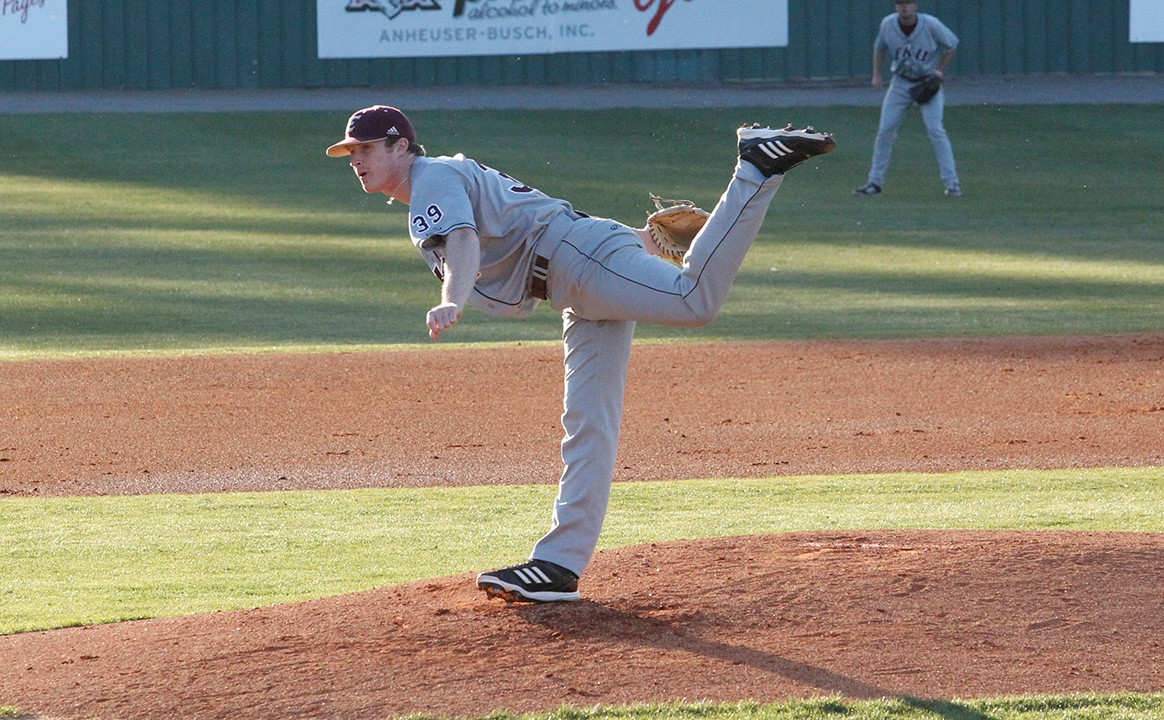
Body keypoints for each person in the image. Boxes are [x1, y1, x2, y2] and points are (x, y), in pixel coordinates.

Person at [326, 105, 835, 603]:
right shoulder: (433, 184)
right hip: (578, 277)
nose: (356, 159)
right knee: (589, 423)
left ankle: (756, 167)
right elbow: (534, 224)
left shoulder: (430, 179)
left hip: (575, 261)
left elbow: (463, 240)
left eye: (367, 148)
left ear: (401, 146)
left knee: (693, 299)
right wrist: (640, 243)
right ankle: (559, 564)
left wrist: (449, 300)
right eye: (351, 151)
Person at [854, 0, 961, 197]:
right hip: (901, 83)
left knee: (936, 130)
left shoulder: (931, 25)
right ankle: (874, 183)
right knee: (885, 130)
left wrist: (939, 72)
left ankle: (952, 183)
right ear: (896, 6)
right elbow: (880, 48)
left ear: (916, 5)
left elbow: (952, 44)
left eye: (909, 3)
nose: (905, 7)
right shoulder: (888, 24)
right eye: (901, 3)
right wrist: (877, 73)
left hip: (927, 82)